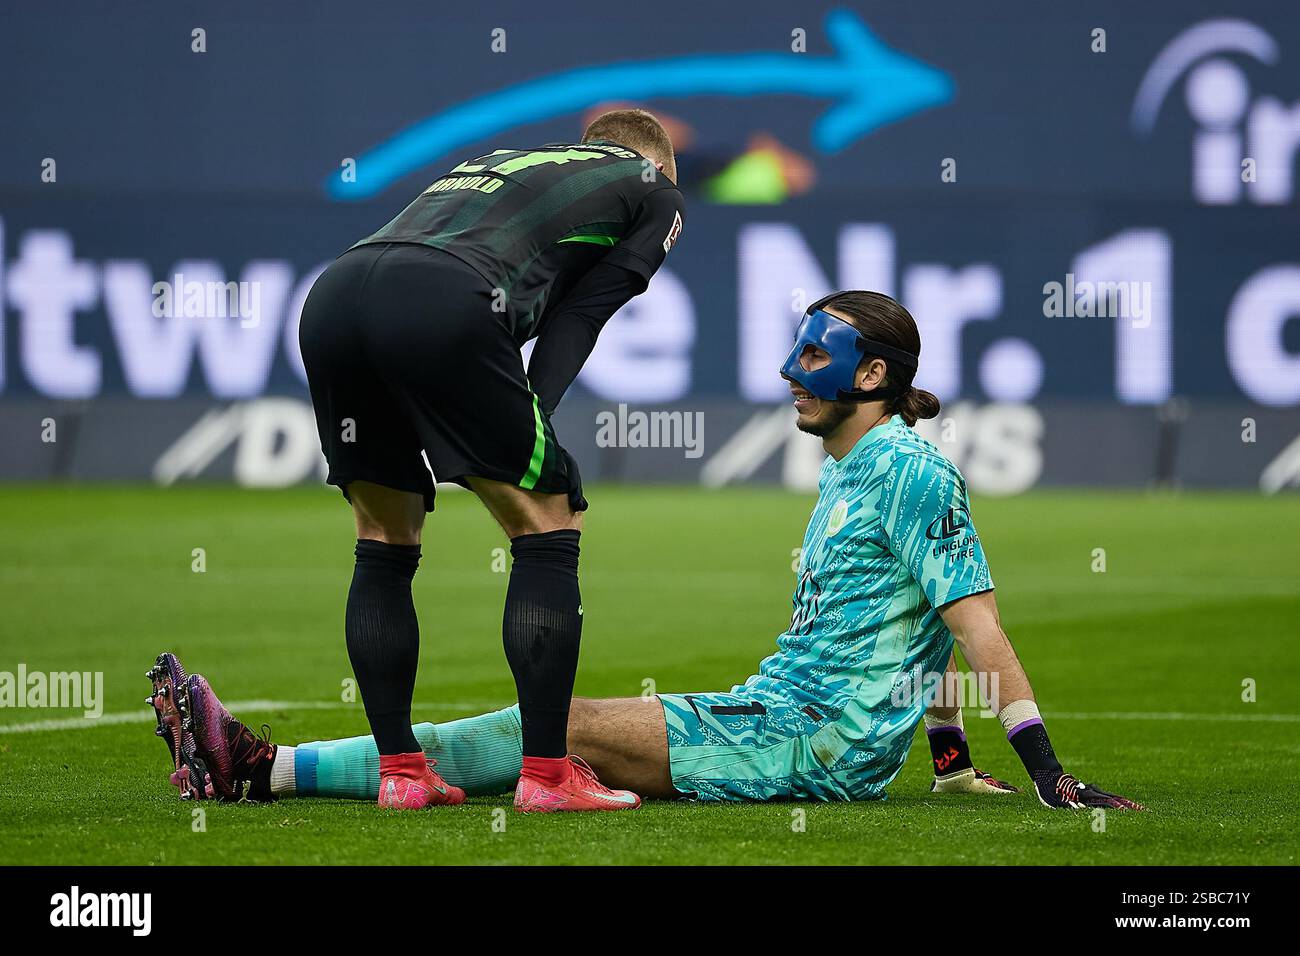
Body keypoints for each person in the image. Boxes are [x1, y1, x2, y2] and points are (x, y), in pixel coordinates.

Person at [149, 289, 1140, 812]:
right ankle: (257, 766)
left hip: (805, 740)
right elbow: (917, 622)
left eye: (815, 358)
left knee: (560, 726)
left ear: (872, 374)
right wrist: (952, 761)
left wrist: (1044, 771)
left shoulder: (911, 474)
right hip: (782, 712)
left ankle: (259, 769)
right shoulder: (855, 464)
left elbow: (976, 627)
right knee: (561, 725)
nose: (791, 372)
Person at [290, 108, 683, 812]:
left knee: (383, 539)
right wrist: (537, 419)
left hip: (334, 295)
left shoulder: (505, 162)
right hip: (444, 299)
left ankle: (402, 774)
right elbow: (581, 314)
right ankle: (548, 776)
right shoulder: (655, 186)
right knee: (548, 518)